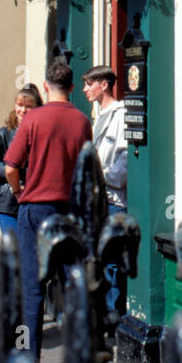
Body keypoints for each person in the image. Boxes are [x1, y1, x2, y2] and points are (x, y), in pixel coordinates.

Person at [3, 59, 92, 360]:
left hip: (34, 209)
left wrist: (18, 191)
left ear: (45, 86)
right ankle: (79, 355)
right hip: (68, 212)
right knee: (72, 284)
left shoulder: (33, 119)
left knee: (30, 288)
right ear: (71, 88)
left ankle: (26, 354)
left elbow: (10, 166)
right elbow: (88, 170)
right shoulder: (82, 121)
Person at [82, 66, 129, 318]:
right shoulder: (97, 116)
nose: (85, 89)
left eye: (89, 84)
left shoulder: (120, 115)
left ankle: (114, 312)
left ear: (104, 84)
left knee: (113, 258)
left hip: (113, 200)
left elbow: (124, 162)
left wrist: (103, 178)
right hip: (97, 199)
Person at [0, 85, 42, 236]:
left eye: (29, 107)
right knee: (16, 250)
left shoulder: (43, 134)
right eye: (20, 105)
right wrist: (11, 170)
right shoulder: (3, 134)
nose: (23, 110)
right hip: (9, 203)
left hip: (35, 203)